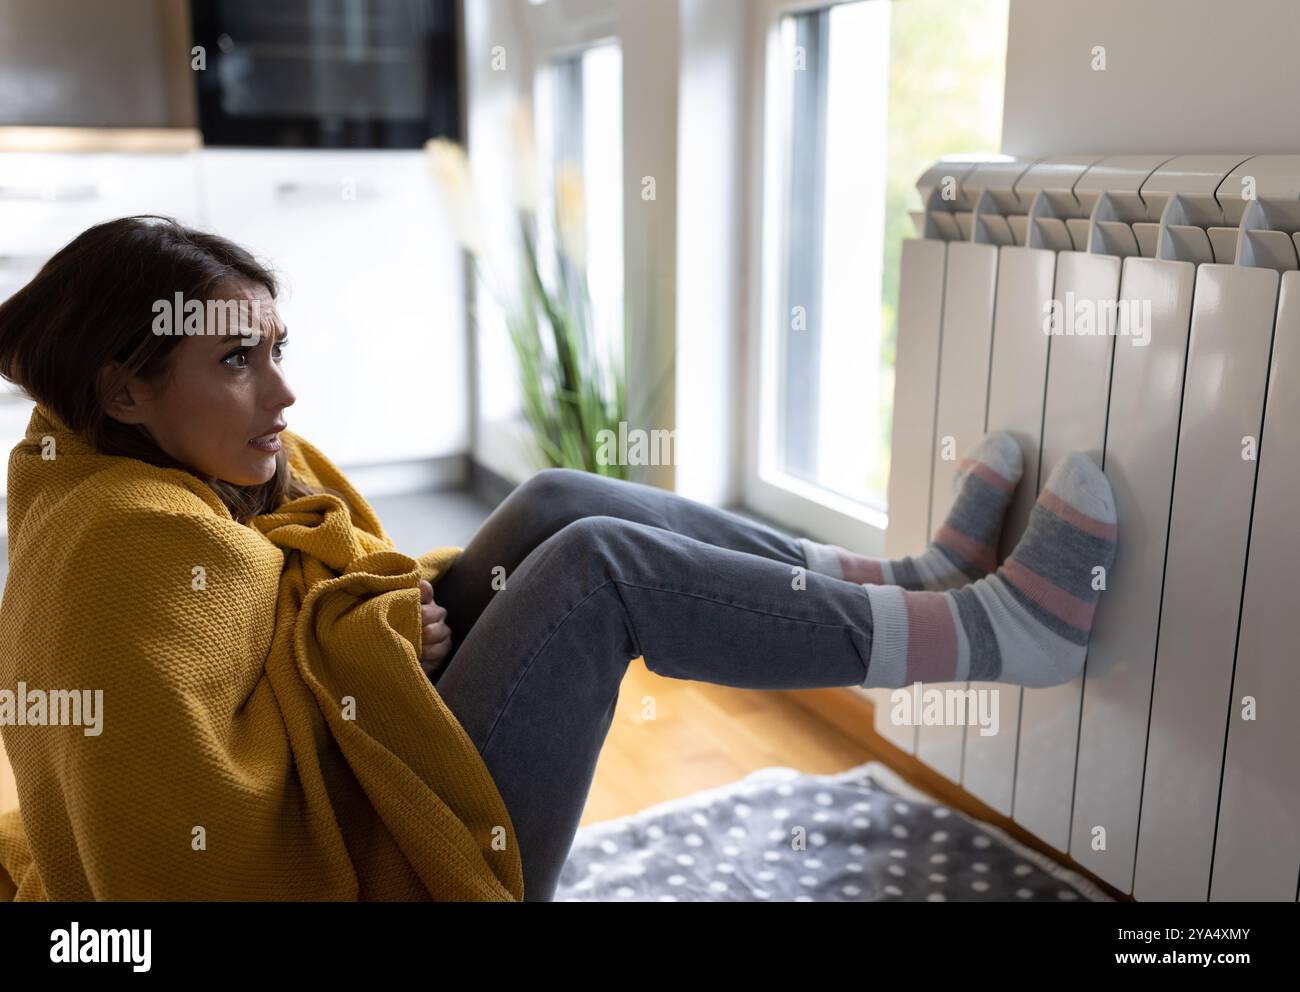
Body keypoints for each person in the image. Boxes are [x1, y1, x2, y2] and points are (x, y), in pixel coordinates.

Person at [0, 216, 1117, 901]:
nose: (283, 392)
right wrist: (373, 641)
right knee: (601, 568)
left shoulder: (126, 465)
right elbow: (201, 835)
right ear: (121, 385)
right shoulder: (129, 545)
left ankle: (905, 587)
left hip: (367, 761)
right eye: (236, 359)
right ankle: (988, 635)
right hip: (383, 865)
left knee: (554, 499)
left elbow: (296, 614)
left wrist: (381, 630)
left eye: (278, 349)